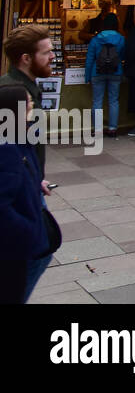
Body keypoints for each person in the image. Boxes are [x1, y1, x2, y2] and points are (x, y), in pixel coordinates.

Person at [0, 84, 56, 303]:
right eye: (29, 103)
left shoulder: (21, 138)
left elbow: (23, 170)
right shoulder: (7, 150)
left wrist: (35, 182)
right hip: (18, 248)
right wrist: (28, 231)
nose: (33, 106)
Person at [1, 24, 54, 181]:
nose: (52, 56)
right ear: (26, 58)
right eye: (46, 52)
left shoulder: (25, 86)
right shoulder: (13, 93)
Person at [84, 12, 126, 139]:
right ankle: (112, 128)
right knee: (114, 100)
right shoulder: (121, 39)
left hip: (97, 72)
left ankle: (97, 130)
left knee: (97, 101)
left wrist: (87, 77)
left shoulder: (96, 39)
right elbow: (123, 56)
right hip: (115, 72)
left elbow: (90, 59)